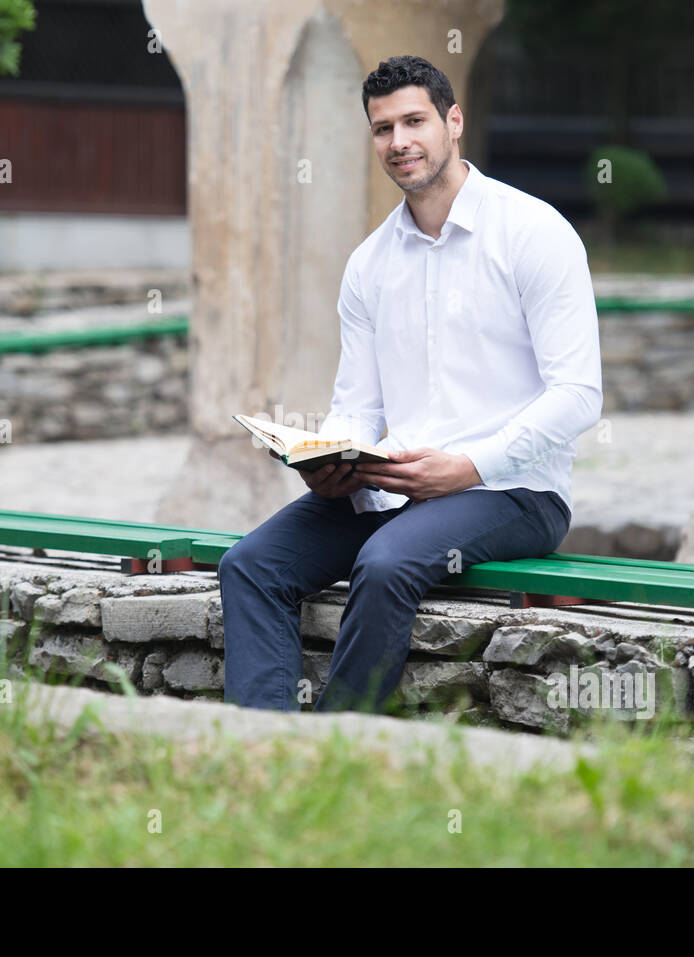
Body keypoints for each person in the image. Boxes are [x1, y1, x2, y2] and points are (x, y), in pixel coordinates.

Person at [218, 54, 603, 714]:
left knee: (387, 563)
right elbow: (359, 405)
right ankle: (264, 748)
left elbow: (578, 395)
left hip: (514, 490)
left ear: (454, 122)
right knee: (250, 564)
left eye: (414, 121)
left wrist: (467, 466)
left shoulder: (535, 233)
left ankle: (337, 749)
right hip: (394, 487)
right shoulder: (369, 264)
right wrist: (337, 461)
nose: (399, 142)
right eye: (382, 129)